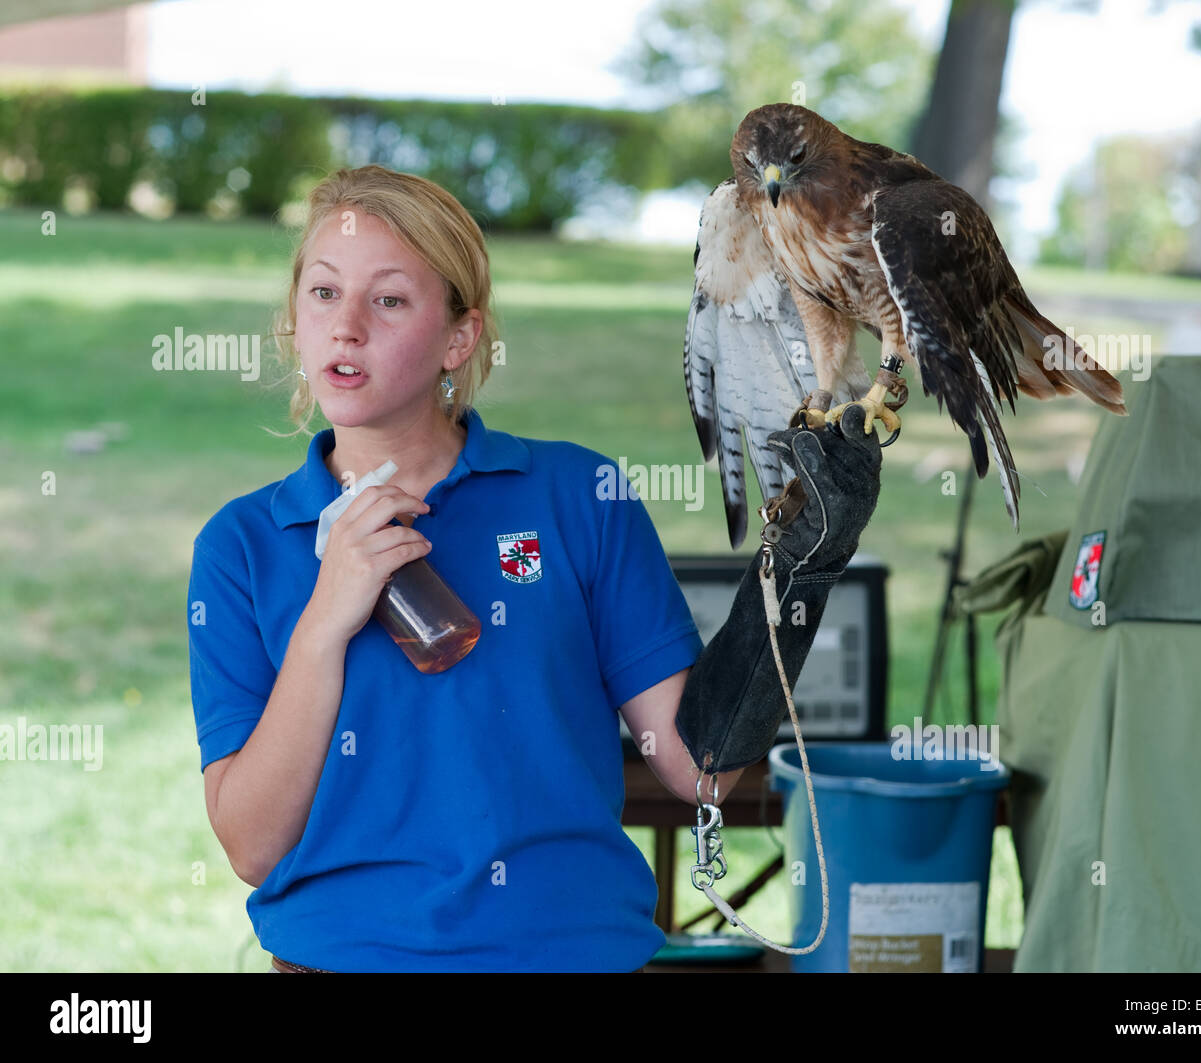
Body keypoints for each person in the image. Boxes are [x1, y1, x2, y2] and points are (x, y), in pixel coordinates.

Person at [187, 164, 881, 974]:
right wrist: (324, 622)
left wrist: (804, 561)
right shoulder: (240, 545)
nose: (346, 327)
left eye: (388, 299)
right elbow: (252, 846)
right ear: (294, 322)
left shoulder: (577, 495)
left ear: (459, 336)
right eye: (322, 293)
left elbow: (699, 771)